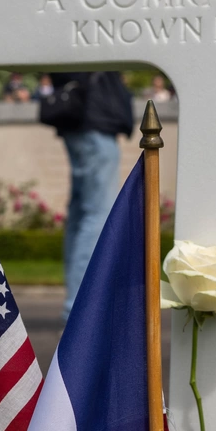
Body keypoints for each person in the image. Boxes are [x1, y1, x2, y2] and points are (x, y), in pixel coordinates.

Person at [49, 70, 135, 321]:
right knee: (96, 217)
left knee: (83, 217)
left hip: (82, 122)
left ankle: (76, 305)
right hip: (94, 122)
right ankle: (80, 308)